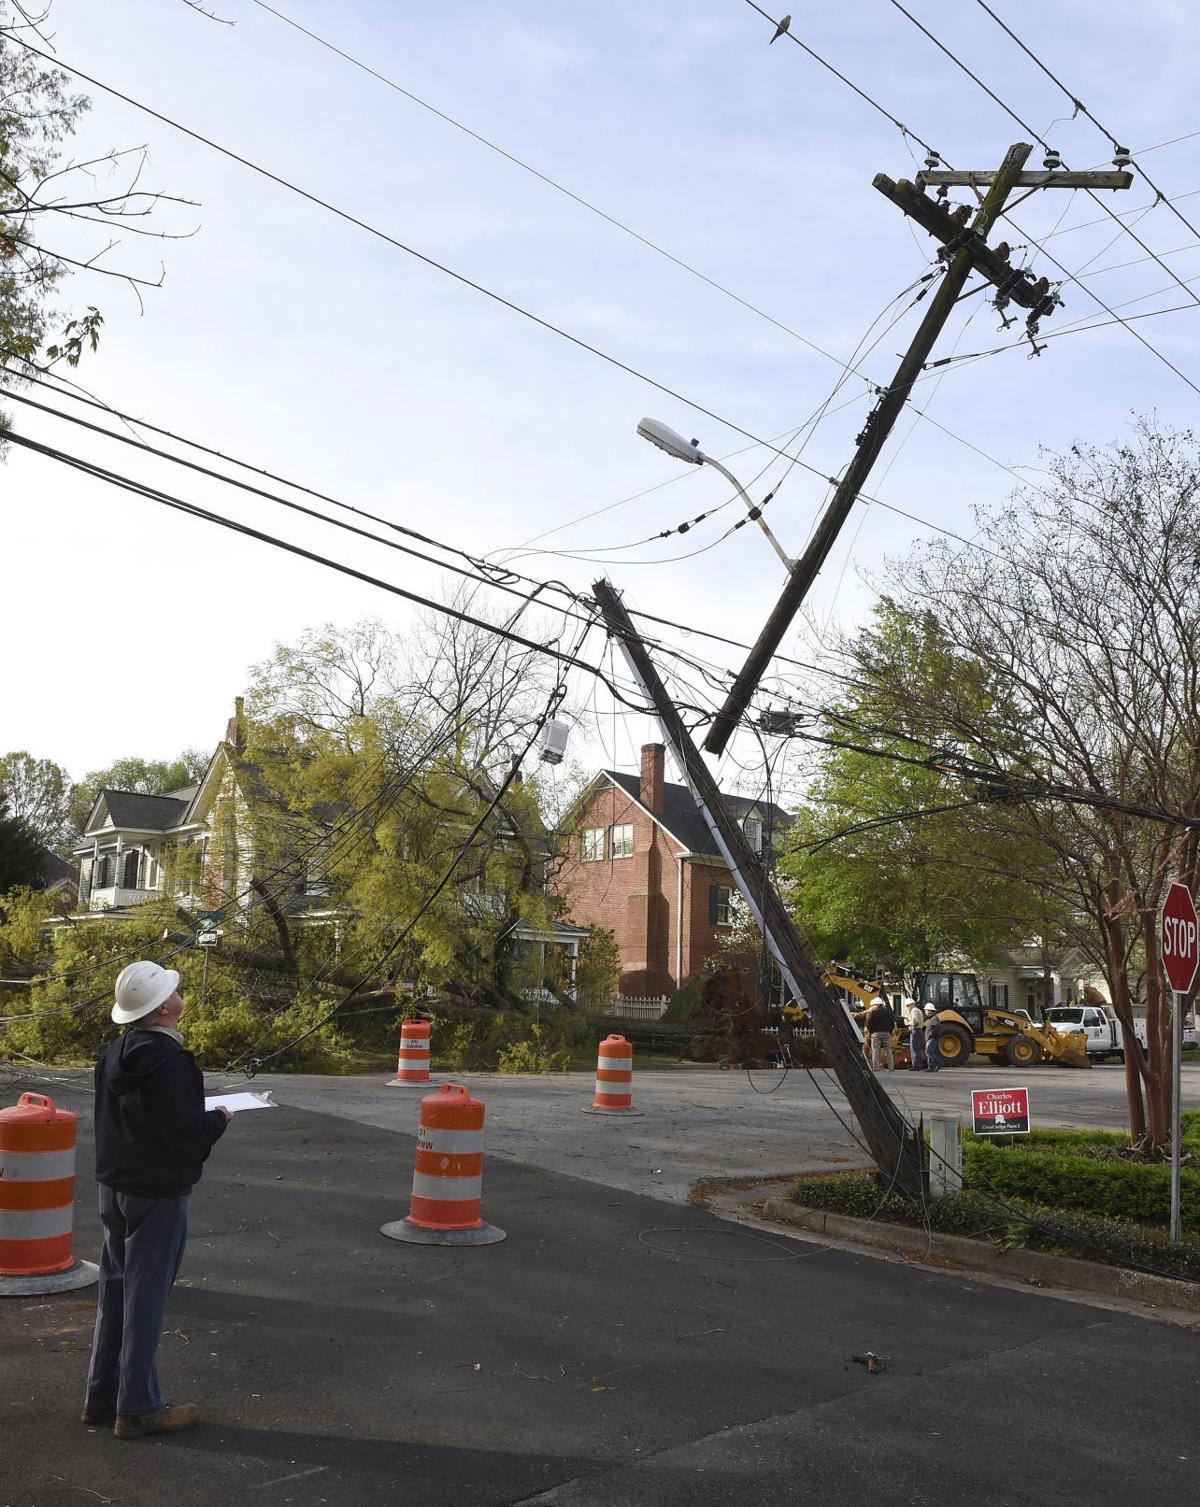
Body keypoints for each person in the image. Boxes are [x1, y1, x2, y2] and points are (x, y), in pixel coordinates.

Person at [83, 960, 231, 1440]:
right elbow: (184, 1134)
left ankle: (102, 1397)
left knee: (116, 1291)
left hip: (115, 1186)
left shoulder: (114, 1053)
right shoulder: (171, 1061)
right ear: (165, 1007)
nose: (178, 994)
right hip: (156, 1192)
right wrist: (220, 1119)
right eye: (174, 990)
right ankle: (139, 1407)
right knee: (145, 1299)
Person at [865, 994, 896, 1071]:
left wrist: (871, 1032)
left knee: (875, 1050)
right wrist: (889, 1031)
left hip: (876, 1033)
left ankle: (876, 1068)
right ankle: (891, 1068)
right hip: (886, 1033)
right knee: (888, 1050)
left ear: (876, 1004)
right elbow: (892, 1023)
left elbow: (869, 1024)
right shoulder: (888, 1012)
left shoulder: (873, 1013)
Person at [904, 997, 926, 1070]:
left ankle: (916, 1066)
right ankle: (918, 1065)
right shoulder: (917, 1010)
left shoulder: (914, 1010)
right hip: (918, 1030)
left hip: (915, 1030)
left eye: (907, 1005)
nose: (907, 1007)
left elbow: (915, 1021)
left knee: (914, 1048)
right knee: (916, 1048)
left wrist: (907, 1023)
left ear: (911, 1004)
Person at [924, 1002, 942, 1072]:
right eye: (926, 1010)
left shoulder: (934, 1018)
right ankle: (938, 1064)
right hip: (930, 1038)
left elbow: (938, 1027)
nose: (926, 1012)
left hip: (932, 1038)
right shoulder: (931, 1019)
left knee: (929, 1052)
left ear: (930, 1011)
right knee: (931, 1052)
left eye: (927, 1010)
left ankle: (931, 1067)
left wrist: (931, 1034)